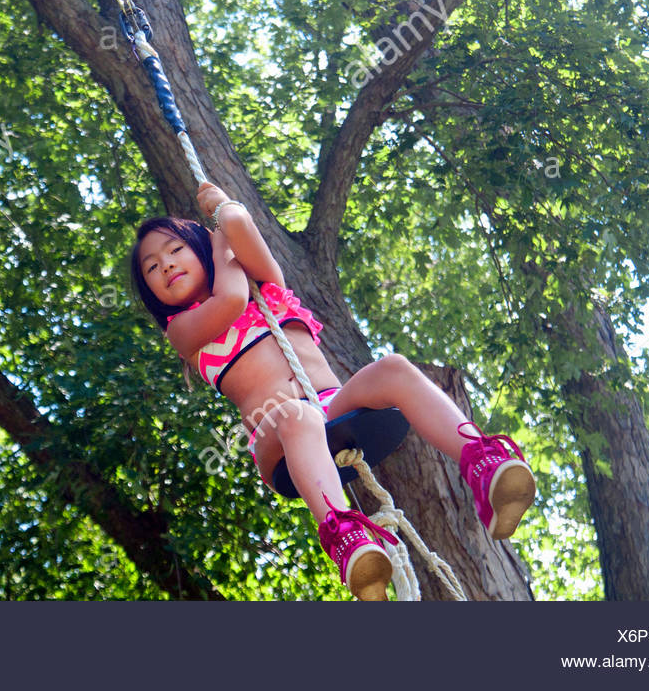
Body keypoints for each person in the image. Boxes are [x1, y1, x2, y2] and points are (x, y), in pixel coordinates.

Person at [129, 180, 536, 600]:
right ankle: (346, 537)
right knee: (297, 415)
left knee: (394, 368)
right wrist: (221, 248)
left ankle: (482, 462)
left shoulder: (266, 288)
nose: (166, 265)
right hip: (277, 437)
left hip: (331, 407)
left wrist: (221, 209)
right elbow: (230, 298)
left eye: (176, 250)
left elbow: (240, 224)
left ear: (199, 245)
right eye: (152, 267)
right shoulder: (184, 332)